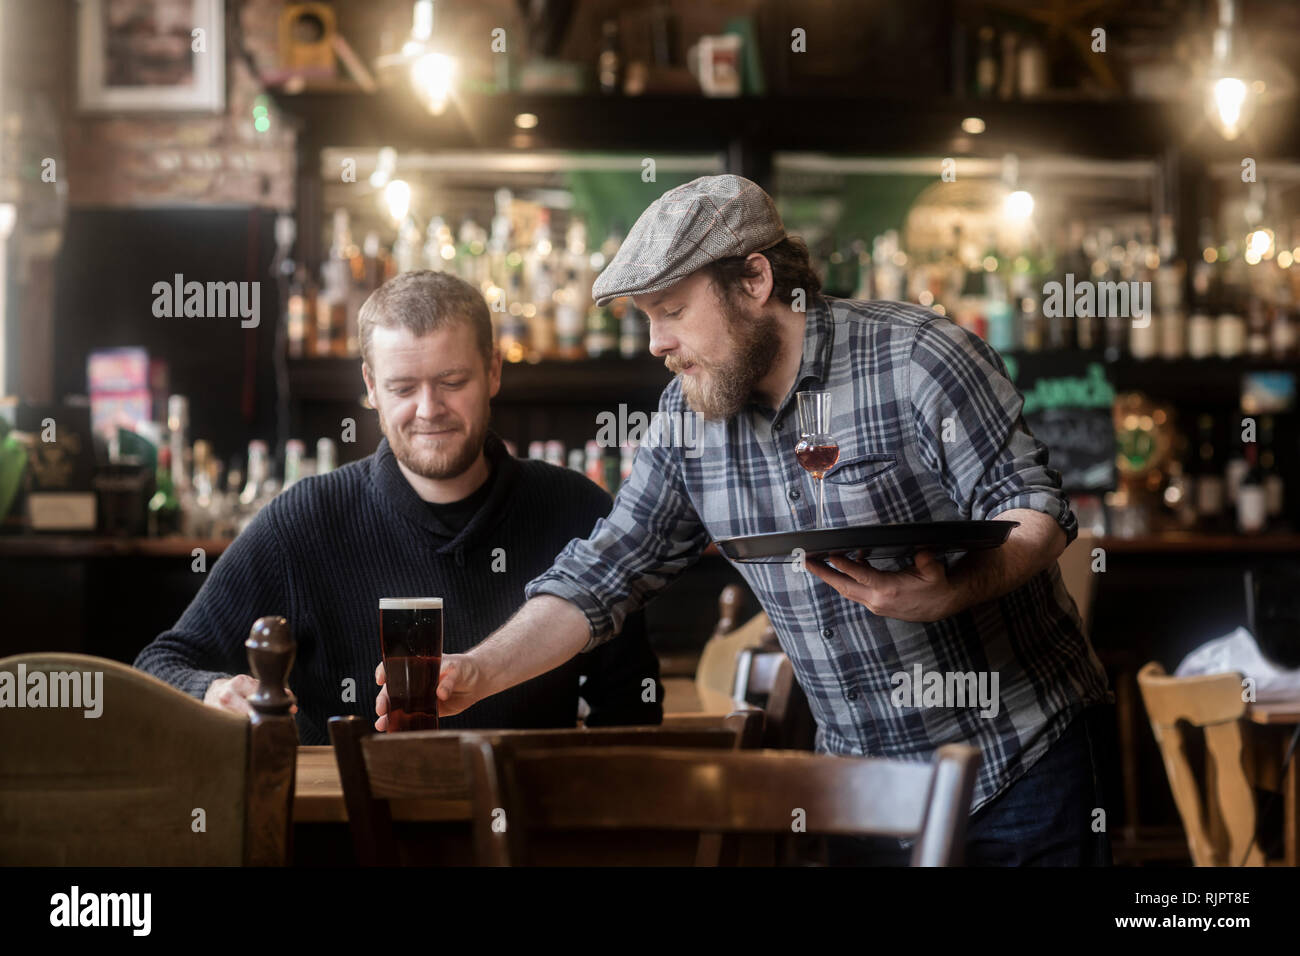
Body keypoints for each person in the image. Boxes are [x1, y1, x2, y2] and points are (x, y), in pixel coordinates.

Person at [377, 175, 1115, 866]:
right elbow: (607, 570)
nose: (657, 344)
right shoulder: (686, 420)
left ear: (756, 281)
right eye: (646, 319)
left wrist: (954, 590)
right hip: (863, 794)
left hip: (1021, 766)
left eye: (671, 312)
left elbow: (1036, 509)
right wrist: (478, 673)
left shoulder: (918, 358)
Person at [135, 270, 662, 744]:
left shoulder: (576, 510)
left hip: (518, 837)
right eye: (403, 388)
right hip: (348, 837)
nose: (429, 410)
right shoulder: (305, 520)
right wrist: (216, 690)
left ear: (494, 372)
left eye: (453, 382)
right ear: (370, 387)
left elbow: (633, 704)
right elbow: (160, 664)